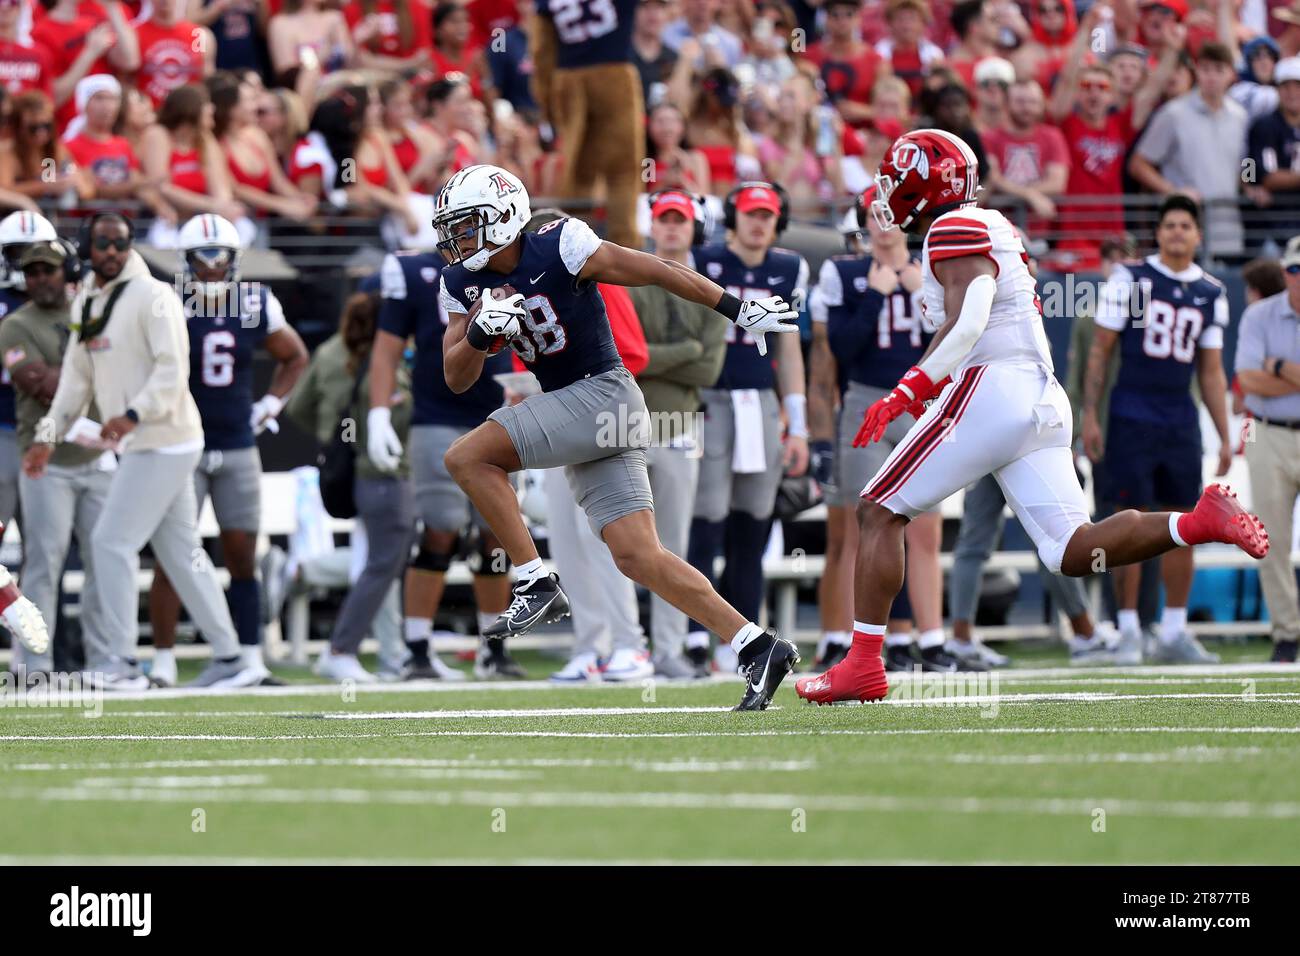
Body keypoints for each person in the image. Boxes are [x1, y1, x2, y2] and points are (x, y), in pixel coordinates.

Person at [796, 130, 1269, 704]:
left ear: (929, 181)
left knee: (877, 508)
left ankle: (863, 664)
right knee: (1074, 550)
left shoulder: (952, 228)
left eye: (898, 176)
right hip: (1041, 400)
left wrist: (908, 389)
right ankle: (1196, 523)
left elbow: (970, 322)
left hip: (993, 387)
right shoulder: (985, 225)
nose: (890, 189)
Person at [434, 164, 802, 710]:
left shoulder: (561, 244)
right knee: (638, 555)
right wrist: (480, 340)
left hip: (604, 392)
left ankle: (535, 580)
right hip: (594, 410)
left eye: (466, 226)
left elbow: (655, 269)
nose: (456, 240)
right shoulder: (461, 284)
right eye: (451, 229)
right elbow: (455, 376)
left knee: (467, 457)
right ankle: (757, 644)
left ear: (505, 217)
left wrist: (735, 308)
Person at [25, 212, 264, 690]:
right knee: (182, 554)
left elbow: (173, 372)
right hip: (148, 442)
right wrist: (47, 437)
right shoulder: (90, 299)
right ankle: (232, 656)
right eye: (102, 243)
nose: (111, 251)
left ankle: (120, 662)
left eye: (119, 242)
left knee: (110, 543)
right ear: (87, 248)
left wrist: (131, 415)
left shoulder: (155, 297)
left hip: (166, 440)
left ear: (130, 245)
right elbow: (75, 381)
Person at [146, 214, 308, 687]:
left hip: (237, 441)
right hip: (181, 445)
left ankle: (249, 660)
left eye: (222, 257)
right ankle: (162, 662)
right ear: (185, 260)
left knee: (242, 555)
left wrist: (271, 404)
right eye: (204, 257)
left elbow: (295, 355)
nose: (214, 267)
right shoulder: (167, 302)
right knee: (174, 555)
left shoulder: (255, 301)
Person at [1082, 194, 1233, 665]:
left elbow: (1210, 371)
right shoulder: (1132, 277)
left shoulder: (1211, 292)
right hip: (1131, 414)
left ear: (1198, 235)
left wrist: (1225, 433)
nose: (1176, 232)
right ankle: (1127, 629)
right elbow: (1100, 350)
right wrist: (1090, 413)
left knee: (1185, 522)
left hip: (1179, 420)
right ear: (1159, 232)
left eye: (1185, 225)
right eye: (1169, 225)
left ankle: (1173, 630)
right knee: (1128, 521)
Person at [808, 186, 953, 672]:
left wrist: (921, 297)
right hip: (867, 401)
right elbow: (842, 350)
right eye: (877, 214)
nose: (886, 223)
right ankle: (859, 646)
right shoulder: (844, 272)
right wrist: (875, 296)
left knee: (927, 533)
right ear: (864, 222)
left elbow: (959, 332)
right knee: (861, 528)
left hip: (920, 402)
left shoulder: (931, 267)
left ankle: (932, 641)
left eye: (893, 213)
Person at [367, 236, 515, 681]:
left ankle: (494, 648)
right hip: (436, 416)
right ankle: (417, 649)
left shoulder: (511, 263)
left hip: (503, 414)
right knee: (439, 530)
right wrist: (377, 411)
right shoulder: (415, 272)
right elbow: (388, 345)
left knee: (497, 536)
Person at [685, 182, 809, 675]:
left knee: (752, 521)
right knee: (706, 517)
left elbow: (790, 346)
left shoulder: (787, 266)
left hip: (759, 401)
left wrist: (796, 425)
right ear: (733, 216)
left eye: (768, 215)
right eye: (752, 214)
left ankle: (745, 636)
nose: (759, 223)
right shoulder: (705, 259)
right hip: (711, 398)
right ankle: (697, 635)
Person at [0, 238, 99, 676]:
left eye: (49, 270)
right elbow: (39, 383)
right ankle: (33, 666)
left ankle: (109, 663)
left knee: (108, 559)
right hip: (43, 456)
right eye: (32, 271)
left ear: (69, 272)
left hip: (100, 455)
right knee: (43, 559)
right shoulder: (16, 323)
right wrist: (88, 367)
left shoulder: (90, 312)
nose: (39, 279)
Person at [1234, 235, 1300, 664]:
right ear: (1286, 274)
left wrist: (1274, 367)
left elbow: (1260, 375)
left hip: (1273, 422)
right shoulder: (1259, 315)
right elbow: (1247, 378)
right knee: (1269, 537)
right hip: (1267, 431)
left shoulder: (1258, 317)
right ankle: (1287, 632)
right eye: (1295, 270)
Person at [532, 0, 641, 249]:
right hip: (614, 74)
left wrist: (546, 100)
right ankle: (626, 243)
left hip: (567, 79)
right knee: (622, 169)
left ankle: (570, 246)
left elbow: (541, 49)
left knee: (576, 168)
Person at [1129, 41, 1248, 259]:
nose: (1211, 77)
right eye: (1205, 69)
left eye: (1219, 70)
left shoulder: (1240, 116)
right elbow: (1138, 164)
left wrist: (1250, 185)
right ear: (1197, 72)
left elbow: (1245, 163)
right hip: (1183, 234)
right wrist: (1172, 191)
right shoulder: (1173, 114)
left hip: (1228, 232)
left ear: (1231, 75)